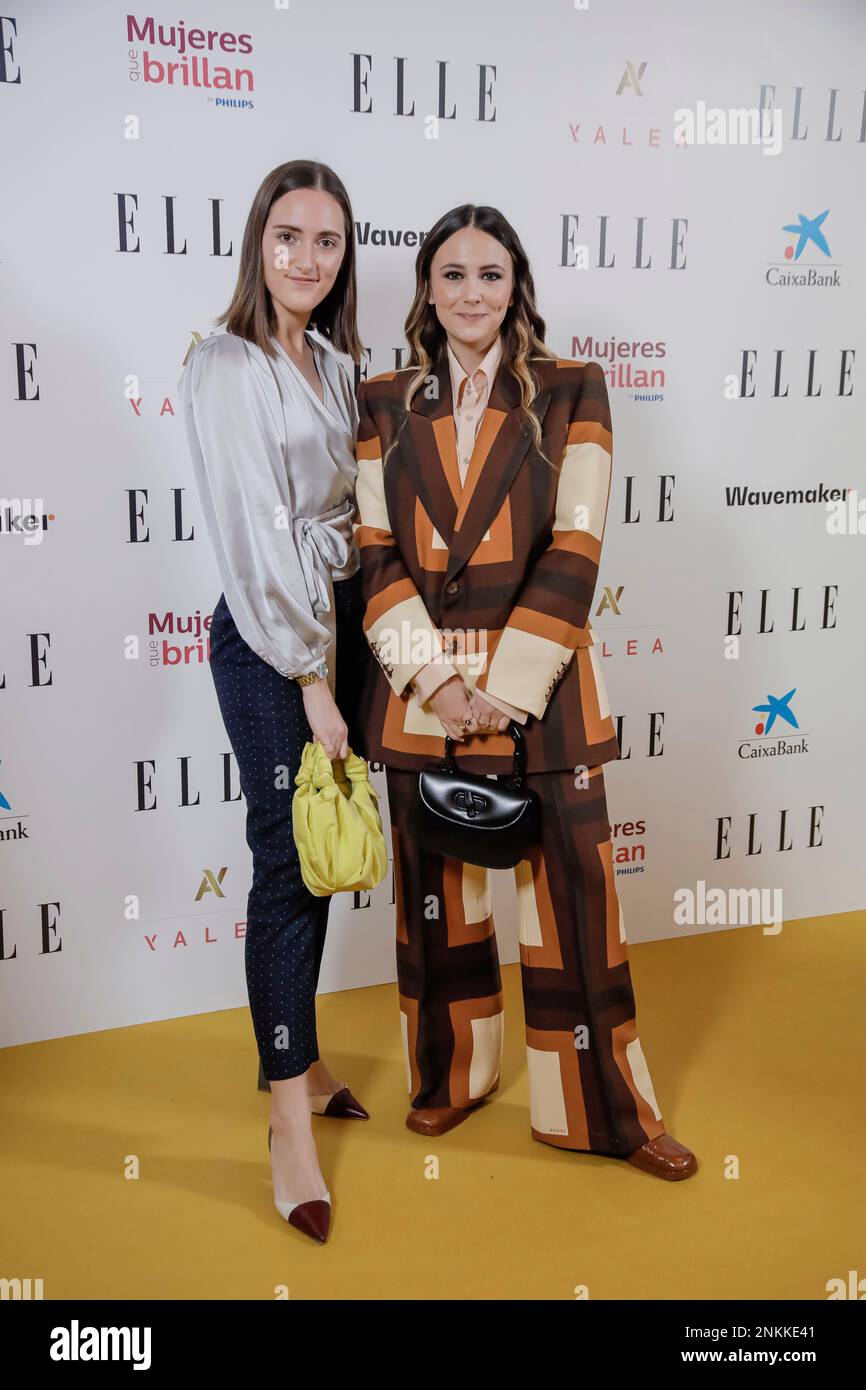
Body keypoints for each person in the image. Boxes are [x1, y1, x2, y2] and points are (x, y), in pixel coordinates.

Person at [352, 203, 697, 1181]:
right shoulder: (382, 404)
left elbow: (575, 546)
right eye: (452, 273)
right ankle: (447, 1080)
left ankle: (605, 1115)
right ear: (425, 287)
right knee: (433, 907)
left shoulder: (571, 389)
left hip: (541, 695)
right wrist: (434, 682)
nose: (470, 292)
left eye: (489, 275)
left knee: (573, 912)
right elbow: (374, 557)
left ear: (516, 288)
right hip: (423, 697)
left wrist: (500, 691)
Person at [178, 160, 373, 1242]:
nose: (306, 258)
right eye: (287, 235)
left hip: (335, 632)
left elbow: (350, 512)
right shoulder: (224, 363)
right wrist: (309, 677)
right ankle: (286, 1120)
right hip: (270, 643)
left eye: (328, 240)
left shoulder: (337, 365)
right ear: (257, 242)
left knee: (322, 845)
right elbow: (255, 535)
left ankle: (302, 1046)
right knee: (284, 859)